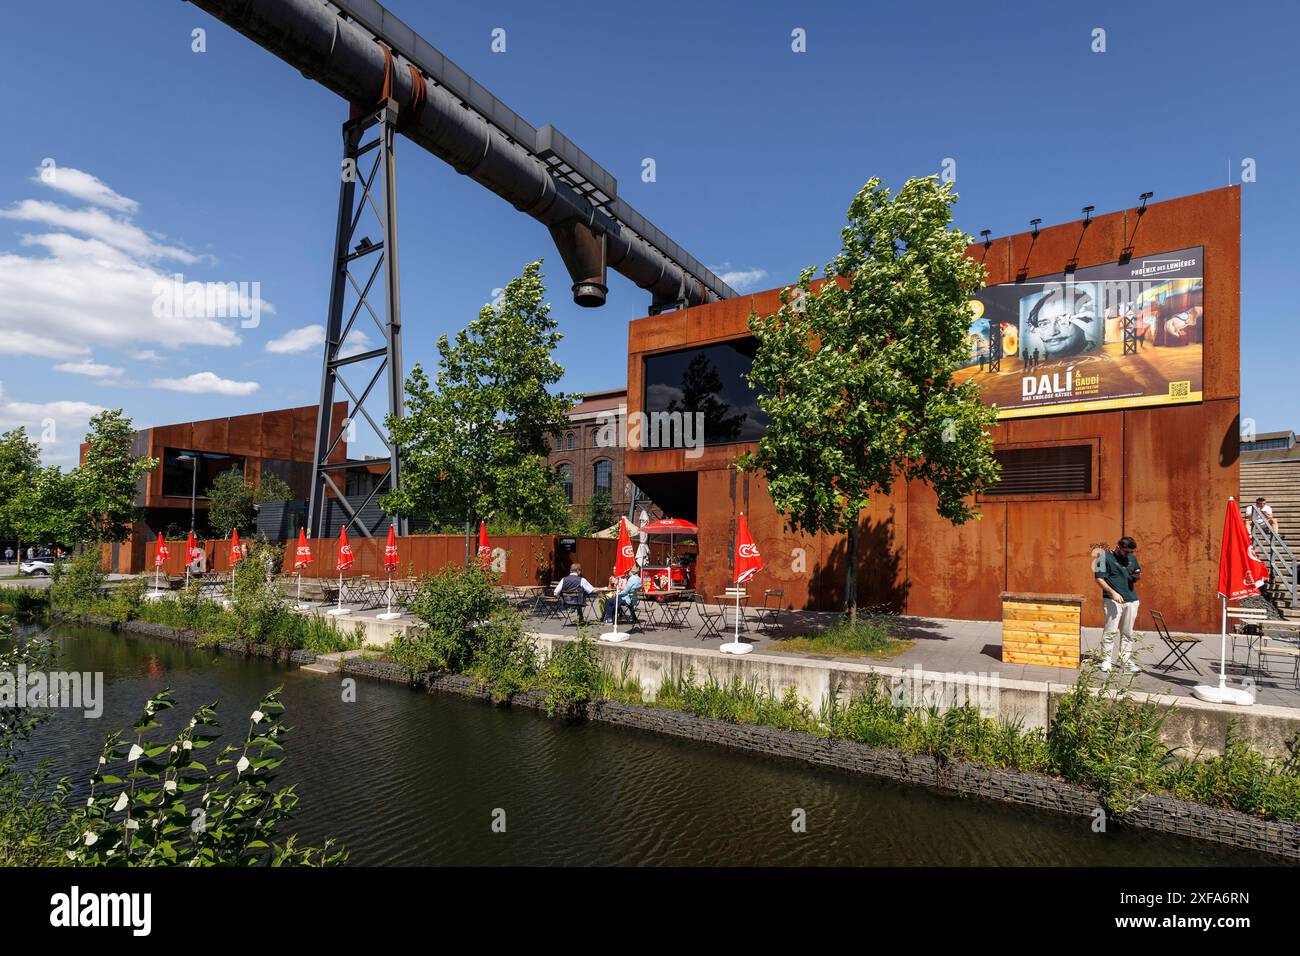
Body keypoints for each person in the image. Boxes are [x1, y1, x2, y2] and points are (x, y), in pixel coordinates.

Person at [1095, 536, 1142, 673]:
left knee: (1128, 632)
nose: (1129, 555)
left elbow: (1137, 574)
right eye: (1126, 552)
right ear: (1118, 547)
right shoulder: (1104, 558)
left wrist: (1137, 576)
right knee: (1110, 631)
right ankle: (1106, 660)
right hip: (1112, 600)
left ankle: (1125, 660)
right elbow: (1099, 578)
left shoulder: (1132, 558)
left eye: (1131, 552)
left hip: (1132, 600)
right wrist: (1113, 593)